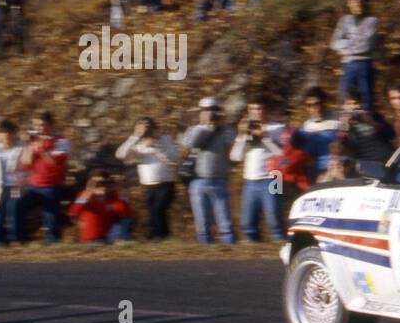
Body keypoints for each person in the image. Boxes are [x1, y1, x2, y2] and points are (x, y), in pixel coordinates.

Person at [180, 97, 236, 244]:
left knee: (225, 222)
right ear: (200, 112)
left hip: (219, 180)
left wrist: (219, 125)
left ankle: (230, 251)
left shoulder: (226, 131)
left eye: (213, 111)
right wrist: (206, 127)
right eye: (205, 111)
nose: (209, 114)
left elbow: (232, 146)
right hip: (197, 180)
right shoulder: (193, 130)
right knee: (202, 223)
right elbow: (191, 143)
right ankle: (205, 252)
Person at [231, 99, 287, 243]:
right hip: (250, 180)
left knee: (275, 219)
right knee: (247, 223)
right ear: (249, 112)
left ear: (266, 110)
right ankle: (254, 251)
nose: (257, 112)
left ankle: (280, 246)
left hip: (275, 177)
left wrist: (265, 137)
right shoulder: (246, 130)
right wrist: (242, 136)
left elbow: (282, 154)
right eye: (253, 109)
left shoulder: (277, 128)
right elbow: (235, 157)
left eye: (260, 109)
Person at [115, 117, 179, 239]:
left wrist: (157, 145)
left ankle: (159, 237)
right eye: (143, 127)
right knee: (153, 212)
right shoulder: (138, 145)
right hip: (148, 185)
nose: (146, 130)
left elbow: (173, 158)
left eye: (148, 127)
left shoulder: (165, 140)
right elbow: (120, 155)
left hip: (166, 183)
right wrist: (135, 136)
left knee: (158, 209)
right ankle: (160, 238)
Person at [17, 111, 71, 244]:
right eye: (36, 125)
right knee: (19, 207)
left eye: (42, 125)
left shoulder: (62, 141)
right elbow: (26, 162)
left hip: (52, 185)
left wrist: (42, 149)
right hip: (34, 185)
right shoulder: (33, 141)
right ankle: (21, 239)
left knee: (50, 216)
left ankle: (53, 243)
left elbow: (56, 163)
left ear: (50, 124)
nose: (39, 128)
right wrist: (30, 146)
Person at [331, 0, 380, 109]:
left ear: (365, 2)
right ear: (349, 3)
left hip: (365, 63)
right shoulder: (344, 20)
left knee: (366, 99)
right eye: (354, 1)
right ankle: (344, 124)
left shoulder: (372, 21)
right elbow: (334, 42)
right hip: (348, 64)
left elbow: (366, 45)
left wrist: (346, 45)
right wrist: (354, 43)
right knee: (344, 97)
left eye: (360, 1)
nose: (357, 4)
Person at [69, 172, 133, 243]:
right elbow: (73, 211)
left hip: (107, 237)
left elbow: (125, 214)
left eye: (106, 183)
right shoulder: (85, 195)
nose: (102, 186)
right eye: (98, 183)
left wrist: (118, 190)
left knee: (125, 220)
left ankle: (123, 242)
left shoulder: (112, 198)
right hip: (91, 239)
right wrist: (88, 191)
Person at [340, 90, 394, 163]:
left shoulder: (373, 115)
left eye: (357, 103)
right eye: (350, 104)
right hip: (367, 164)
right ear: (343, 106)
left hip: (387, 159)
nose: (356, 107)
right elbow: (340, 147)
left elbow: (391, 134)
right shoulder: (340, 123)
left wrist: (372, 123)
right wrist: (345, 128)